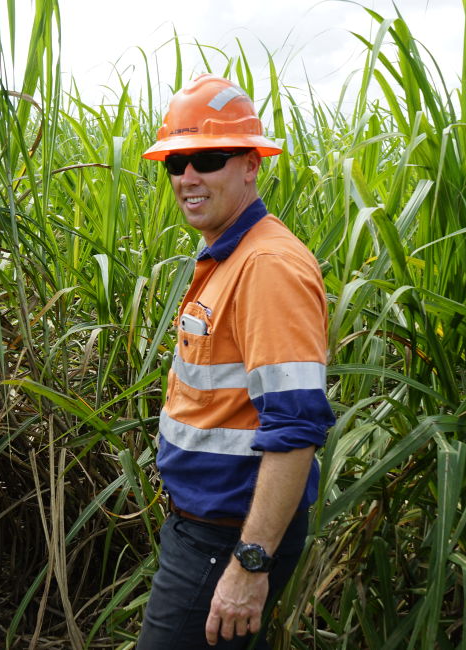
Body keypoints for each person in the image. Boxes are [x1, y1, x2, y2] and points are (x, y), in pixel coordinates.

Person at [136, 74, 336, 649]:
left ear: (250, 164)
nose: (188, 177)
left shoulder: (267, 266)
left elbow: (297, 427)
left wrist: (249, 564)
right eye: (176, 163)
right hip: (204, 529)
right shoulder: (227, 256)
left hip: (227, 539)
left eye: (209, 157)